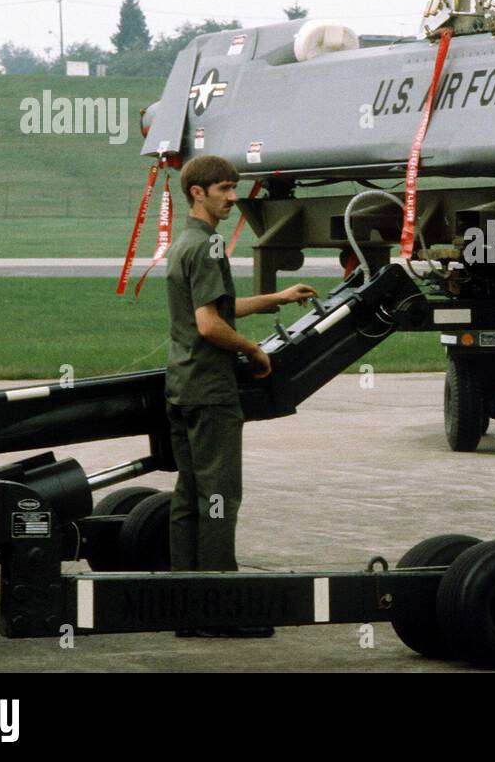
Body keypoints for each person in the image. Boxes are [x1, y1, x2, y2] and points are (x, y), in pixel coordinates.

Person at [164, 154, 316, 638]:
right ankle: (219, 608)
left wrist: (276, 298)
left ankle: (187, 607)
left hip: (183, 387)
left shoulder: (183, 242)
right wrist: (253, 351)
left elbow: (217, 309)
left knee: (189, 496)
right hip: (212, 391)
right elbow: (212, 326)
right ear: (198, 192)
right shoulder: (207, 243)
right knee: (219, 498)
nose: (233, 198)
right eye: (225, 189)